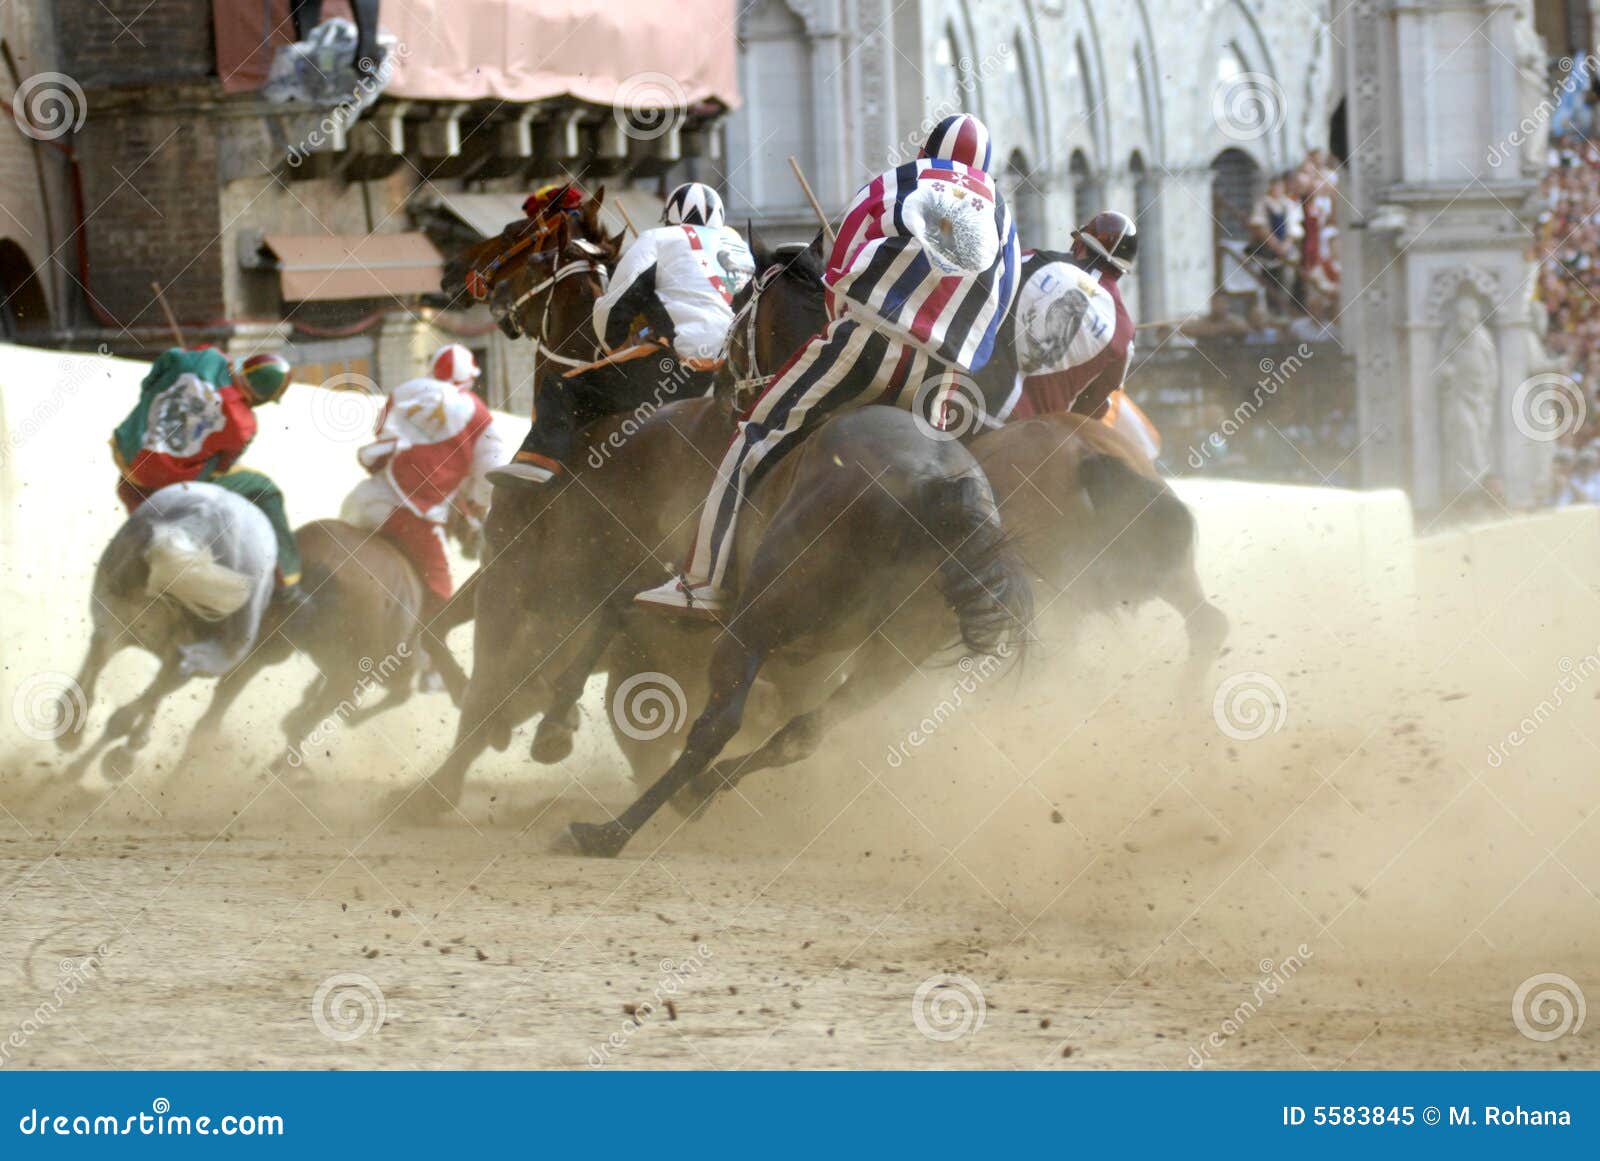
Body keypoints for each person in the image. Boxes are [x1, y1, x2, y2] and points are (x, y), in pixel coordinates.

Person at [634, 113, 1020, 617]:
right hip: (941, 378)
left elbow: (837, 266)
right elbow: (1001, 305)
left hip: (863, 345)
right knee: (942, 477)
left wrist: (842, 318)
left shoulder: (902, 180)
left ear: (927, 150)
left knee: (754, 437)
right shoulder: (1004, 221)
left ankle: (702, 580)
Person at [490, 181, 754, 486]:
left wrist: (612, 346)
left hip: (676, 373)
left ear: (669, 216)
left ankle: (540, 461)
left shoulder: (657, 239)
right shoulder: (741, 248)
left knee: (562, 389)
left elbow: (614, 304)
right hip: (737, 371)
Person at [111, 347, 310, 609]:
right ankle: (288, 584)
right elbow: (219, 468)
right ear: (260, 397)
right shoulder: (244, 425)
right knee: (266, 489)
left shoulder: (207, 357)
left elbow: (161, 365)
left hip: (128, 470)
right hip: (167, 486)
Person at [341, 344, 502, 626]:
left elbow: (380, 432)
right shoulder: (478, 412)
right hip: (412, 515)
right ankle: (430, 665)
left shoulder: (405, 390)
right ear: (469, 379)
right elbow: (492, 473)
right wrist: (478, 500)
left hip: (362, 501)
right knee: (441, 594)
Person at [1008, 211, 1138, 421]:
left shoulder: (1033, 259)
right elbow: (1092, 407)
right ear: (1121, 270)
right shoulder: (1124, 333)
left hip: (970, 393)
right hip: (1033, 432)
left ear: (1079, 245)